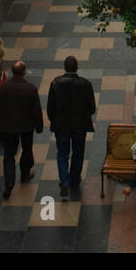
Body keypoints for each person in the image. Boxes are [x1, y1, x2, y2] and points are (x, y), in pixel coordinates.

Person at [46, 55, 97, 199]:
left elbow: (50, 107)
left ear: (64, 67)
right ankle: (75, 179)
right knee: (78, 152)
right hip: (80, 125)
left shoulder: (55, 83)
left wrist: (53, 119)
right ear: (77, 67)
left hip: (61, 125)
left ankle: (64, 182)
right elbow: (91, 108)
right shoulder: (85, 83)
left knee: (62, 153)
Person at [0, 60, 42, 199]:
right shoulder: (30, 88)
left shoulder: (3, 88)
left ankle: (9, 183)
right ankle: (25, 172)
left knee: (9, 154)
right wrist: (38, 126)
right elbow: (36, 110)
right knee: (27, 148)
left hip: (8, 127)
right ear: (24, 72)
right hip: (26, 126)